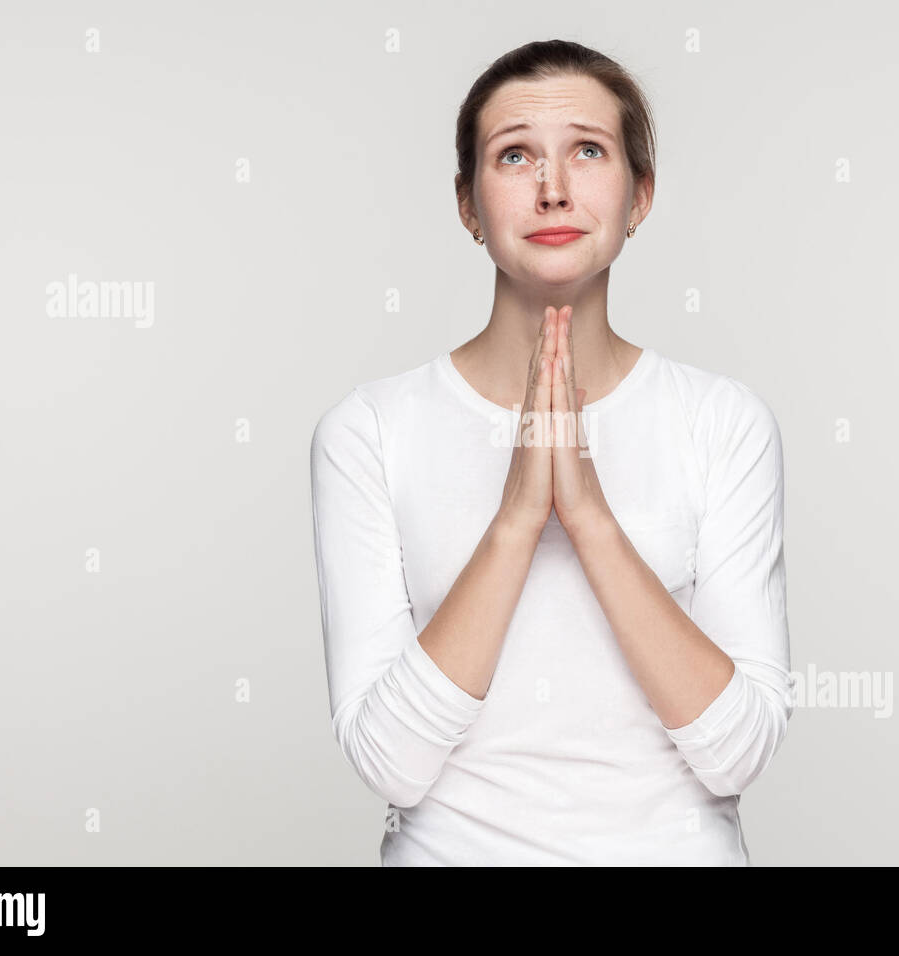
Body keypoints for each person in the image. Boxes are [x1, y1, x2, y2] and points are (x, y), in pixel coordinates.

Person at [310, 39, 793, 865]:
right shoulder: (369, 432)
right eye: (514, 155)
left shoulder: (723, 423)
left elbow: (739, 752)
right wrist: (518, 520)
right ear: (468, 205)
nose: (553, 188)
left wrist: (592, 519)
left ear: (640, 195)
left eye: (589, 151)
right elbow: (390, 763)